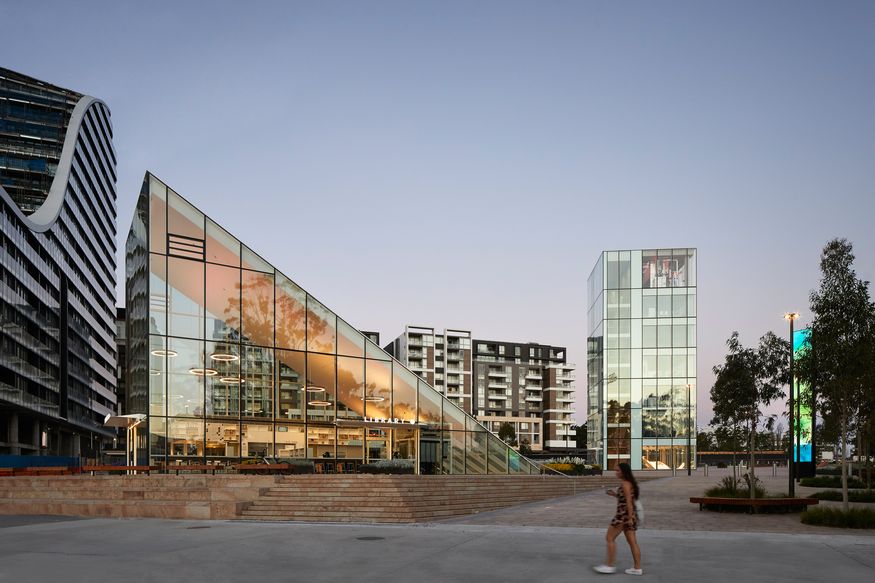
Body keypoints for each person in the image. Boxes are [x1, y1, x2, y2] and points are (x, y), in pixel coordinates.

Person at [593, 462, 643, 576]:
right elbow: (627, 499)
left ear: (624, 472)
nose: (616, 472)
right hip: (630, 515)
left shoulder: (625, 484)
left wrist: (629, 518)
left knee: (609, 538)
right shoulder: (630, 483)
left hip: (623, 516)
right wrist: (614, 495)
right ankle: (637, 568)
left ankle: (609, 566)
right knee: (632, 542)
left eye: (618, 471)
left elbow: (629, 503)